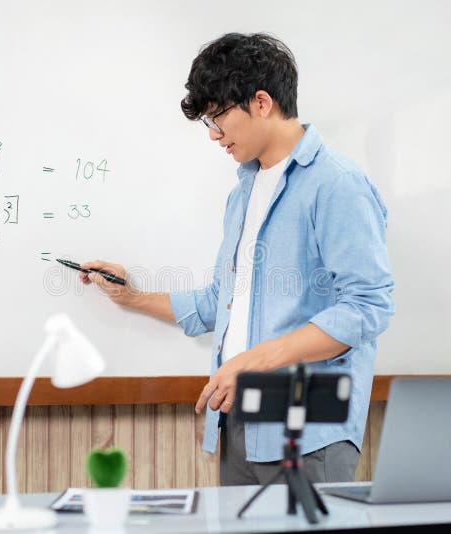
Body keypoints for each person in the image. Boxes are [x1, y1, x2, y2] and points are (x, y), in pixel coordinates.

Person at [79, 32, 394, 486]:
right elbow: (217, 303)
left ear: (261, 102)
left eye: (218, 117)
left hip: (310, 431)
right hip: (239, 423)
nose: (213, 135)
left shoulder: (336, 184)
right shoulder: (241, 193)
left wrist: (256, 359)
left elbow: (368, 306)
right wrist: (130, 297)